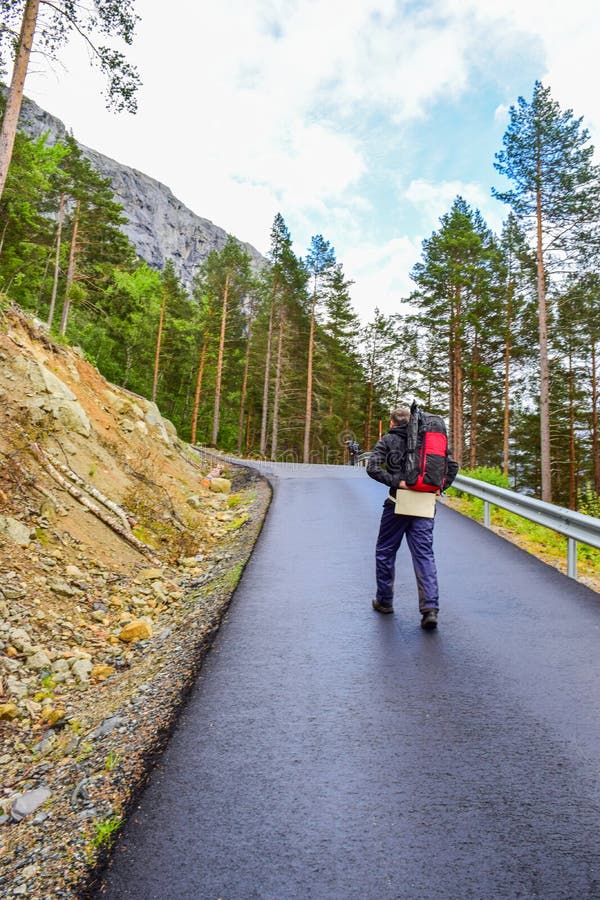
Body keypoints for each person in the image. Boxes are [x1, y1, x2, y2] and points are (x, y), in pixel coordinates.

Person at [366, 407, 458, 630]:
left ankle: (385, 601)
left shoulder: (388, 440)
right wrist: (440, 487)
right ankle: (430, 610)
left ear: (392, 423)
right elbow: (452, 466)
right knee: (424, 555)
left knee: (386, 551)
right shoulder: (428, 440)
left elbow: (372, 467)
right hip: (425, 505)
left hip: (397, 504)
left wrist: (398, 482)